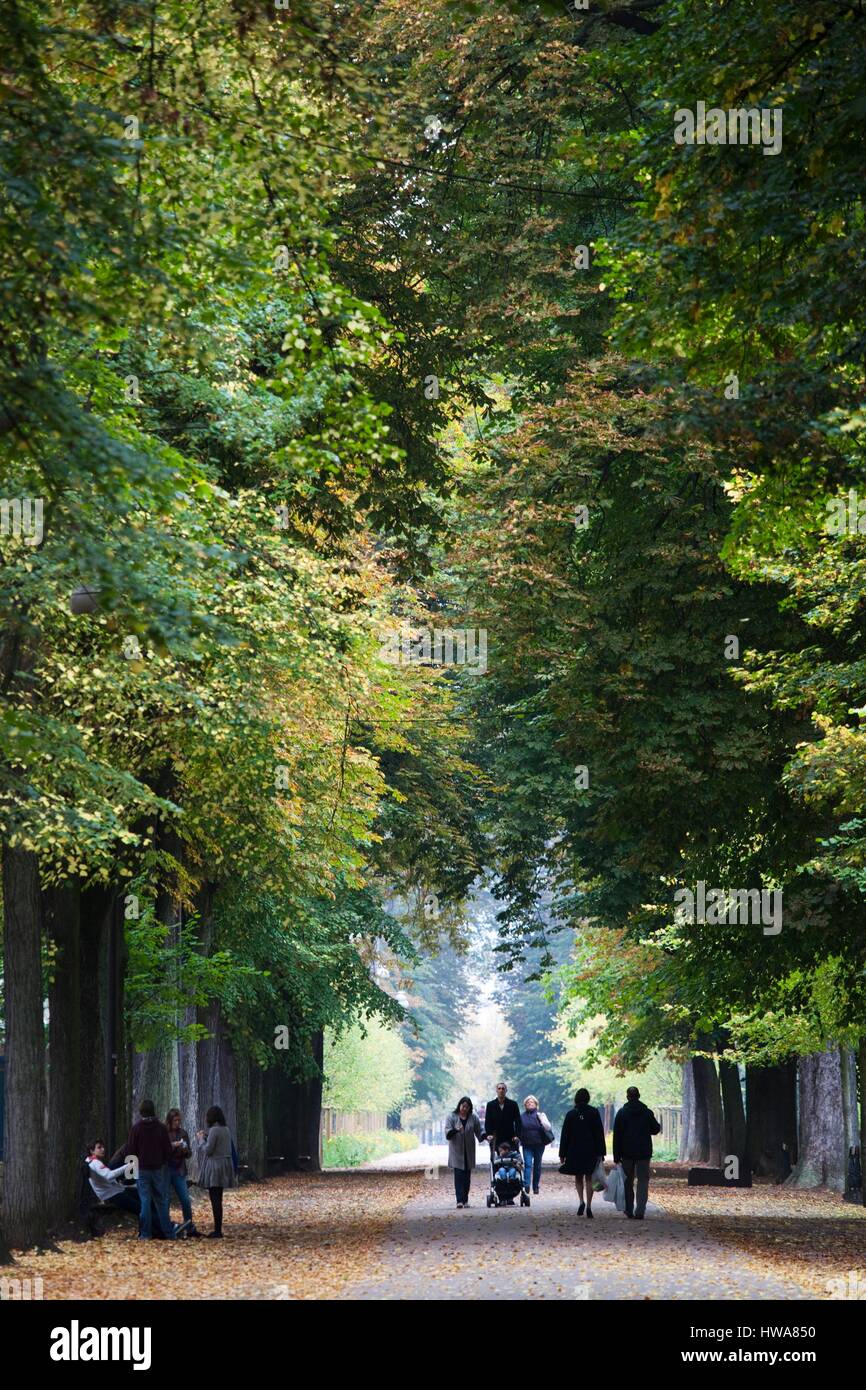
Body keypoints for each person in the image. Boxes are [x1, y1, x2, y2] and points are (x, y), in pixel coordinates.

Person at [122, 1098, 175, 1239]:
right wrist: (162, 1160)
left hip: (142, 1169)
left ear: (141, 1112)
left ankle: (146, 1234)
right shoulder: (161, 1128)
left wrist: (131, 1171)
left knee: (145, 1201)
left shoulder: (136, 1128)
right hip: (158, 1169)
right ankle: (169, 1233)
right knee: (161, 1201)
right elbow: (168, 1150)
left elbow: (130, 1151)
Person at [612, 1085, 661, 1220]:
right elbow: (655, 1129)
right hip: (644, 1153)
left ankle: (629, 1209)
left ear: (628, 1097)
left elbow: (617, 1136)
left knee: (628, 1182)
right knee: (643, 1181)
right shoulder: (647, 1112)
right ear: (639, 1096)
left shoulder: (621, 1113)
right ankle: (640, 1211)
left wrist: (616, 1156)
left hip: (626, 1153)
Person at [559, 1088, 606, 1218]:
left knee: (578, 1177)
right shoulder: (594, 1112)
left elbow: (565, 1135)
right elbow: (599, 1134)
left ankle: (581, 1201)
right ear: (588, 1098)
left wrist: (562, 1154)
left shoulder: (571, 1114)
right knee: (589, 1177)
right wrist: (601, 1153)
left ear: (576, 1099)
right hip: (590, 1150)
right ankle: (590, 1206)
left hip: (574, 1150)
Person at [196, 1105, 237, 1238]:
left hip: (215, 1167)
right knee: (218, 1198)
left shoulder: (214, 1130)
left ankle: (217, 1230)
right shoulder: (225, 1129)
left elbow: (208, 1150)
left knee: (215, 1199)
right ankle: (218, 1228)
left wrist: (201, 1139)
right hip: (224, 1165)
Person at [86, 1140, 142, 1222]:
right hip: (114, 1196)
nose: (103, 1149)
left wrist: (126, 1186)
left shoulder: (91, 1162)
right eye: (99, 1148)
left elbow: (106, 1180)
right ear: (92, 1151)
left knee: (142, 1200)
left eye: (103, 1147)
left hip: (114, 1193)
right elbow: (109, 1176)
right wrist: (129, 1165)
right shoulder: (95, 1163)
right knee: (142, 1209)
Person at [445, 1096, 483, 1208]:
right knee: (459, 1176)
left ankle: (465, 1200)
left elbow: (479, 1132)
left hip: (469, 1151)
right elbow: (447, 1134)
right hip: (456, 1151)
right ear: (459, 1105)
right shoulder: (452, 1117)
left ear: (470, 1107)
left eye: (467, 1107)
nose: (464, 1109)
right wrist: (456, 1130)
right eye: (463, 1106)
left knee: (467, 1177)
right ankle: (459, 1201)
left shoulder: (473, 1118)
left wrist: (486, 1137)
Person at [166, 1107, 199, 1236]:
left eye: (179, 1120)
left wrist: (185, 1151)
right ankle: (166, 1226)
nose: (178, 1123)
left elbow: (188, 1153)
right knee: (165, 1200)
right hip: (167, 1170)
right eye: (175, 1120)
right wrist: (174, 1146)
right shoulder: (164, 1133)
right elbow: (163, 1152)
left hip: (179, 1170)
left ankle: (189, 1226)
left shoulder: (183, 1133)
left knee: (185, 1199)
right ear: (170, 1120)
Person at [520, 1095, 553, 1197]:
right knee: (528, 1165)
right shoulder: (521, 1117)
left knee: (537, 1166)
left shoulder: (540, 1115)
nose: (530, 1104)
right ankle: (526, 1186)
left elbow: (548, 1127)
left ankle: (535, 1186)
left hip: (539, 1144)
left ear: (536, 1105)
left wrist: (541, 1119)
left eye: (532, 1102)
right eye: (528, 1103)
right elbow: (518, 1130)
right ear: (525, 1105)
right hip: (527, 1145)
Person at [483, 1082, 521, 1151]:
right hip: (495, 1137)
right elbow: (488, 1121)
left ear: (506, 1090)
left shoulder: (513, 1104)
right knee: (496, 1159)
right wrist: (489, 1134)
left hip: (510, 1136)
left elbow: (518, 1122)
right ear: (496, 1090)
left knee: (512, 1158)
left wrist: (517, 1135)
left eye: (503, 1088)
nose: (501, 1090)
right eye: (499, 1088)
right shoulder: (490, 1105)